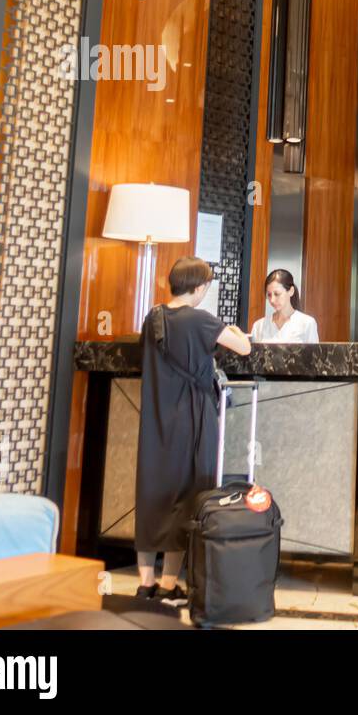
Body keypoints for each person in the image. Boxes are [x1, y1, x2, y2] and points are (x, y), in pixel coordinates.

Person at [136, 256, 251, 605]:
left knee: (151, 493)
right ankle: (170, 584)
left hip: (155, 417)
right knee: (188, 495)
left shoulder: (153, 316)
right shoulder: (200, 320)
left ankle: (146, 583)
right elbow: (244, 347)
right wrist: (228, 327)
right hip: (191, 419)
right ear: (199, 288)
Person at [249, 268, 319, 344]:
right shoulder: (259, 326)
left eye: (277, 294)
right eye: (269, 295)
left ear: (291, 291)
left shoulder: (307, 323)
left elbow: (314, 355)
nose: (272, 300)